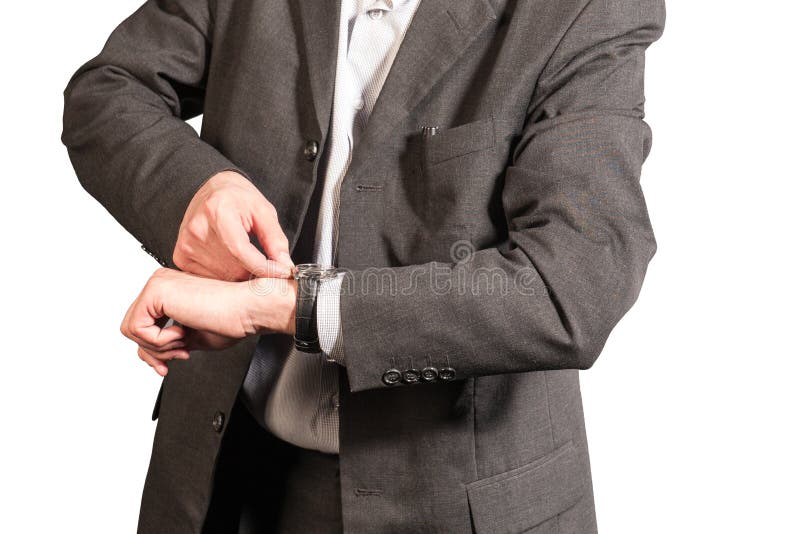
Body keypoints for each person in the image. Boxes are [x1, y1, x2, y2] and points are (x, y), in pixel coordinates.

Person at [62, 0, 665, 532]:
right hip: (222, 479)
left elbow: (573, 282)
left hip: (452, 505)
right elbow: (110, 90)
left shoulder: (588, 8)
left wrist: (280, 304)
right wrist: (199, 191)